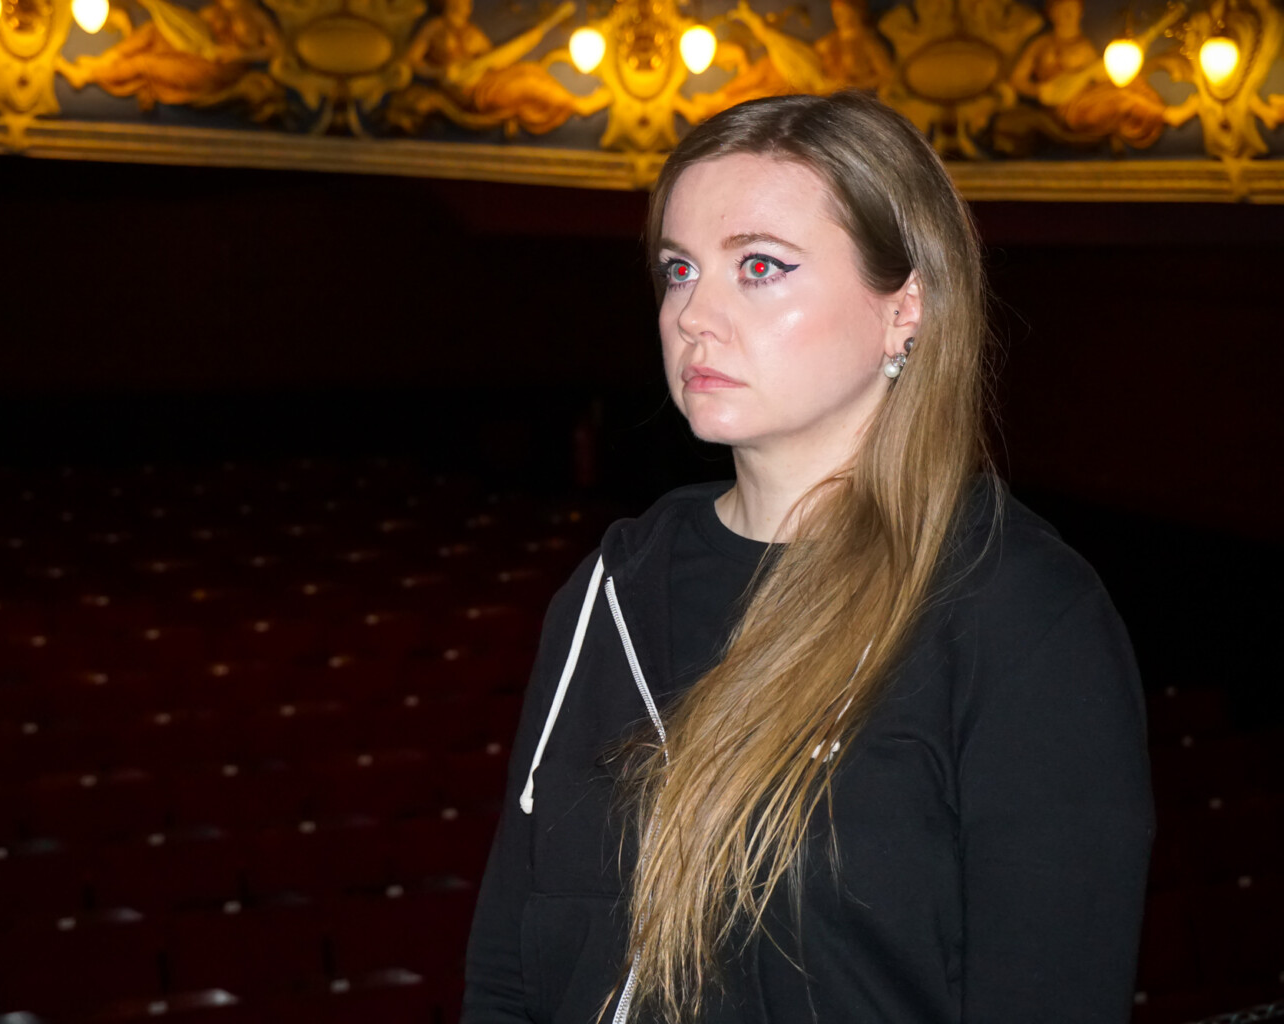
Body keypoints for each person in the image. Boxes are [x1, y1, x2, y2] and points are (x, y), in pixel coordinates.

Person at [462, 91, 1154, 1024]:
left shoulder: (1016, 612)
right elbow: (509, 976)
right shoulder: (611, 590)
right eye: (678, 269)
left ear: (904, 308)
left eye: (758, 266)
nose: (693, 316)